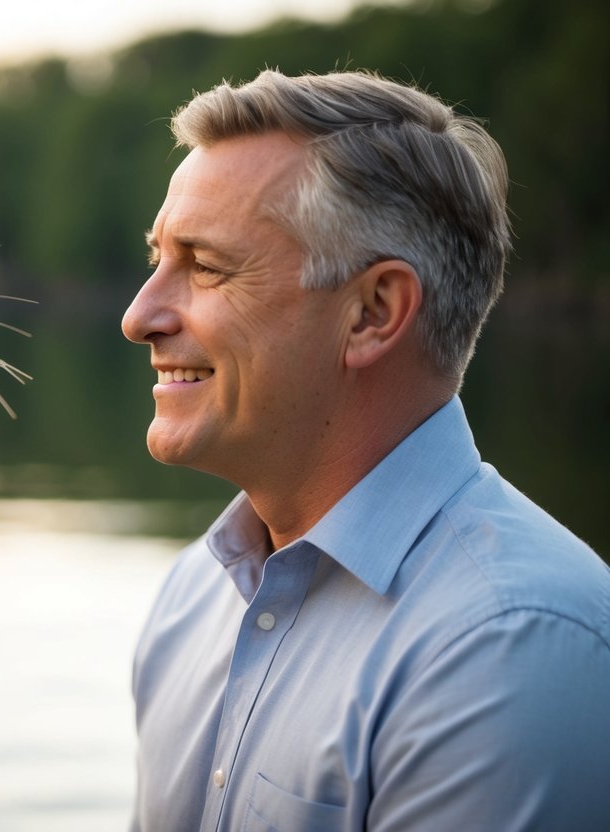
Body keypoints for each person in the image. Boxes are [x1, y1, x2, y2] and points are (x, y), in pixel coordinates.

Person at [121, 69, 610, 831]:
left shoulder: (510, 647)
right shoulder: (194, 596)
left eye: (205, 267)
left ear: (372, 313)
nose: (140, 315)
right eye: (157, 259)